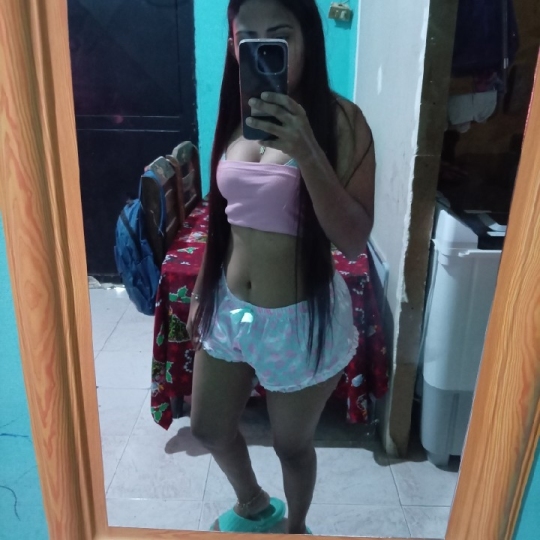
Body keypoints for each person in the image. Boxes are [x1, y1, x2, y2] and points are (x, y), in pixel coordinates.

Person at [187, 0, 375, 534]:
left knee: (292, 447)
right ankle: (253, 503)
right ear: (233, 45)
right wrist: (202, 289)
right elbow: (222, 219)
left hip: (298, 318)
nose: (261, 48)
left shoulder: (342, 121)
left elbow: (353, 239)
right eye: (246, 38)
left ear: (307, 39)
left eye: (279, 35)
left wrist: (307, 150)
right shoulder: (237, 112)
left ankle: (295, 530)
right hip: (229, 310)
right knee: (207, 428)